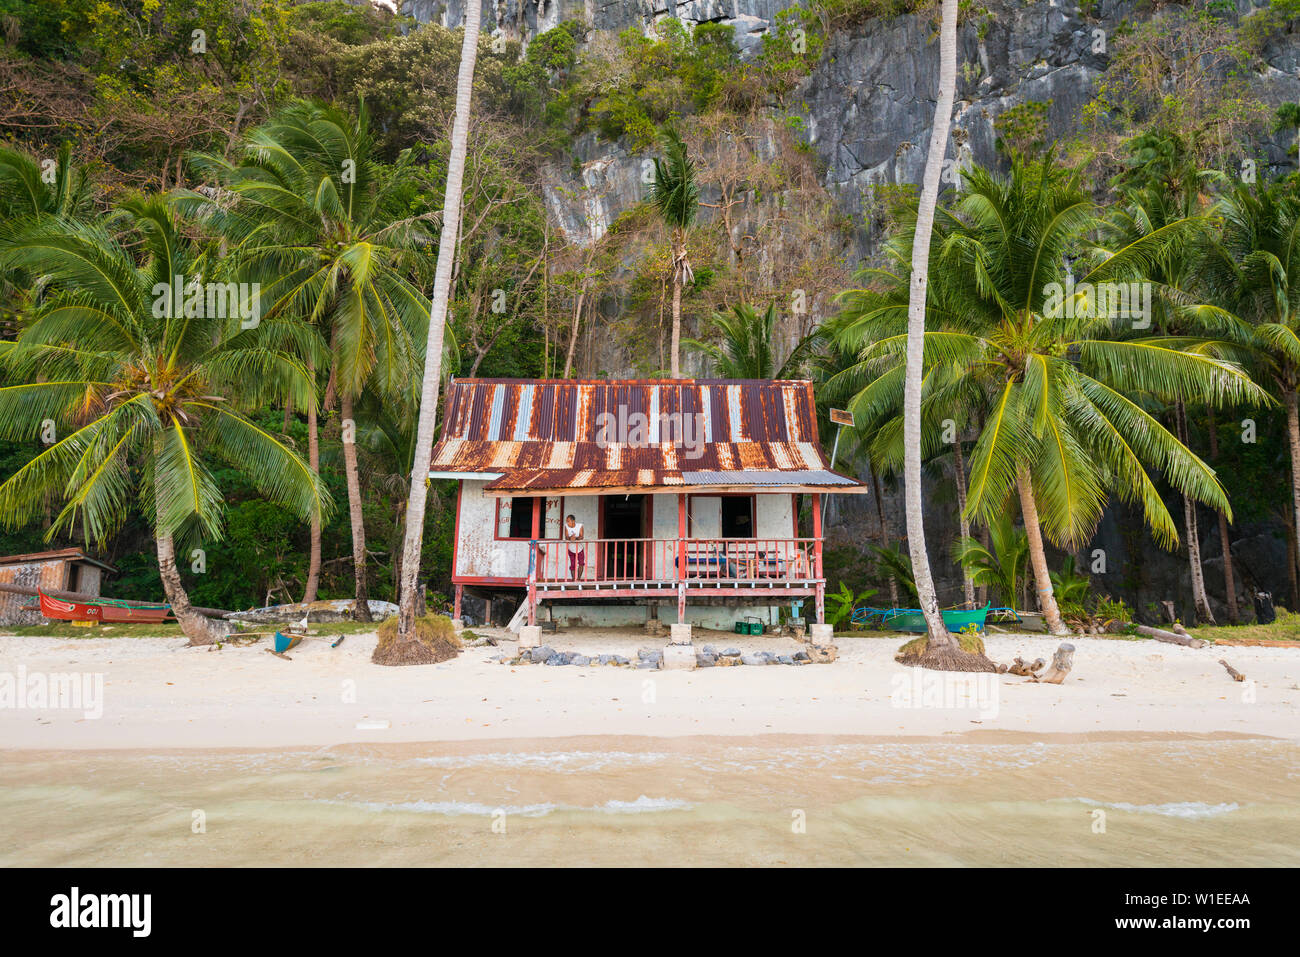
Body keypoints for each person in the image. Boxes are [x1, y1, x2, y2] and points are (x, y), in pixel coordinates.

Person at [564, 514, 585, 580]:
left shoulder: (580, 526)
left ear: (573, 521)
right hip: (571, 549)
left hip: (579, 548)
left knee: (581, 563)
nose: (567, 523)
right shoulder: (566, 526)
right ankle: (573, 579)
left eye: (568, 521)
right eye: (567, 521)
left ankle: (578, 578)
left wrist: (575, 538)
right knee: (572, 565)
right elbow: (566, 537)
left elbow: (581, 536)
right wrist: (570, 538)